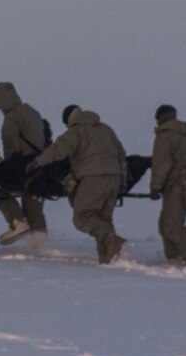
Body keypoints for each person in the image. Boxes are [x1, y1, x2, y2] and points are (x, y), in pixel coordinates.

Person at [31, 104, 128, 264]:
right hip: (114, 178)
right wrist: (122, 183)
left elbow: (59, 150)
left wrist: (38, 162)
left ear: (69, 120)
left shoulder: (76, 131)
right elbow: (121, 155)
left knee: (82, 218)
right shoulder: (106, 129)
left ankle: (112, 241)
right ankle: (108, 256)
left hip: (93, 178)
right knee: (103, 219)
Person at [0, 81, 49, 246]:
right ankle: (41, 240)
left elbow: (11, 150)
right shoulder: (33, 112)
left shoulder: (12, 118)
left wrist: (2, 168)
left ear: (3, 101)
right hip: (40, 165)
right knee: (32, 198)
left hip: (23, 165)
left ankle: (17, 222)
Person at [148, 104, 186, 268]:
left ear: (159, 118)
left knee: (173, 225)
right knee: (166, 223)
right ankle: (173, 257)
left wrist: (155, 188)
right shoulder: (184, 134)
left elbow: (161, 164)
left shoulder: (165, 136)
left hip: (175, 185)